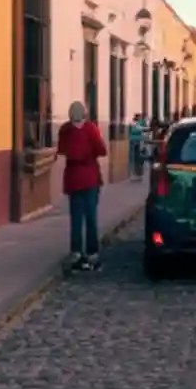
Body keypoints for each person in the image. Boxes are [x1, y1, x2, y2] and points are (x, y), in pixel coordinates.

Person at [58, 101, 108, 271]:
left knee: (76, 218)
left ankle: (76, 252)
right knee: (91, 217)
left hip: (73, 178)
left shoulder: (65, 130)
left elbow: (62, 149)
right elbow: (101, 149)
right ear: (85, 113)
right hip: (90, 178)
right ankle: (92, 253)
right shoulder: (90, 129)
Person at [128, 113, 147, 181]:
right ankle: (135, 174)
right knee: (136, 158)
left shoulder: (133, 123)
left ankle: (135, 174)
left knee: (134, 158)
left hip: (134, 142)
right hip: (136, 142)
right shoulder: (138, 123)